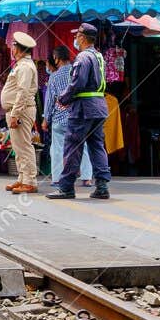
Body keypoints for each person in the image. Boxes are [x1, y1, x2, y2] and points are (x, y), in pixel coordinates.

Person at [48, 23, 111, 200]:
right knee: (96, 146)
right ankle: (102, 186)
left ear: (82, 38)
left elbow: (77, 83)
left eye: (77, 36)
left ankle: (66, 187)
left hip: (83, 109)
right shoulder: (98, 56)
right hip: (98, 107)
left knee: (72, 146)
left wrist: (63, 99)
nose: (75, 39)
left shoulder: (83, 58)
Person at [42, 46, 90, 185]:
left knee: (57, 149)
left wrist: (46, 119)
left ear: (56, 59)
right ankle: (86, 178)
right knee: (83, 146)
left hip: (59, 119)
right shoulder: (78, 73)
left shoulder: (54, 77)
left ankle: (57, 179)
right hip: (78, 116)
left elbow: (50, 101)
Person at [0, 32, 40, 194]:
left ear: (19, 49)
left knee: (24, 146)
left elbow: (23, 92)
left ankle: (30, 181)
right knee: (18, 146)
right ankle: (23, 178)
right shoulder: (21, 65)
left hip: (21, 112)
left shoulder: (25, 67)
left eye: (14, 46)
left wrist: (15, 114)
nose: (12, 48)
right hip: (16, 111)